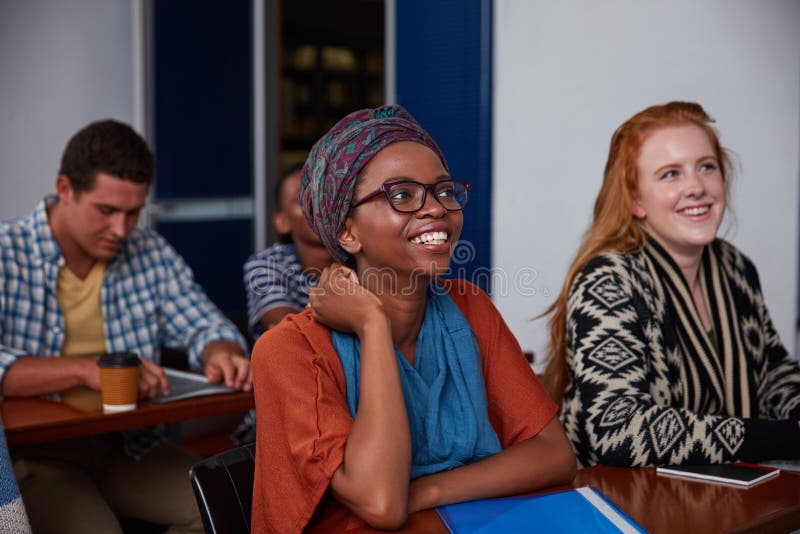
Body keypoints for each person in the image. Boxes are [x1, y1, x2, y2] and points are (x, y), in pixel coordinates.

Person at [250, 105, 576, 532]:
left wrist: (426, 491)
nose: (437, 209)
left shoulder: (470, 307)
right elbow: (382, 504)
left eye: (444, 191)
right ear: (347, 232)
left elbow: (555, 454)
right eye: (402, 195)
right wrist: (371, 325)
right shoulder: (289, 350)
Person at [0, 119, 252, 534]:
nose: (121, 229)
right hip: (36, 458)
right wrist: (86, 370)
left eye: (133, 212)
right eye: (107, 210)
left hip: (128, 449)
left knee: (229, 503)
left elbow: (204, 323)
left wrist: (222, 351)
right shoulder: (8, 252)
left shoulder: (147, 250)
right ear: (65, 189)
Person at [543, 101, 800, 468]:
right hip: (619, 502)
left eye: (706, 167)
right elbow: (619, 430)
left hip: (723, 497)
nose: (696, 187)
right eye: (670, 174)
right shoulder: (609, 281)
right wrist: (786, 437)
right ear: (635, 200)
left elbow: (773, 372)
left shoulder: (736, 268)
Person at [233, 162, 332, 445]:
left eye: (324, 196)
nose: (317, 208)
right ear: (282, 222)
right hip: (279, 422)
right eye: (303, 202)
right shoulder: (267, 264)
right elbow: (286, 329)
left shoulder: (366, 263)